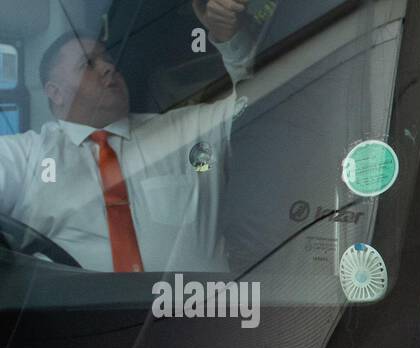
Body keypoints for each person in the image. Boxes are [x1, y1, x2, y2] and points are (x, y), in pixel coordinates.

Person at [0, 1, 256, 272]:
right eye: (88, 64)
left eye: (108, 59)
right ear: (55, 92)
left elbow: (260, 98)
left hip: (201, 309)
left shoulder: (187, 131)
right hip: (78, 313)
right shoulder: (28, 156)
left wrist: (230, 39)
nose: (108, 67)